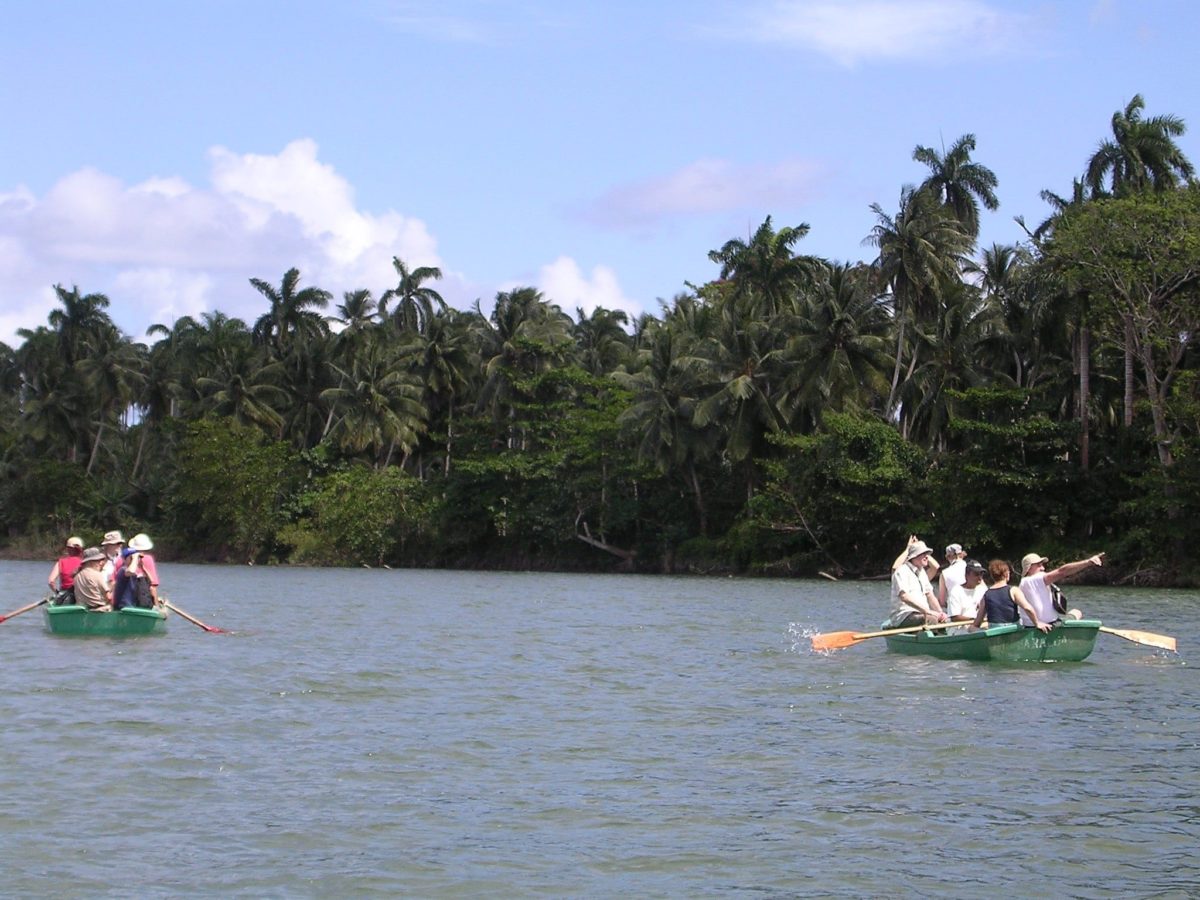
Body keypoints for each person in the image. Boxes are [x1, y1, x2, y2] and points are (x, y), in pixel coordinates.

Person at [1019, 551, 1105, 626]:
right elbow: (1062, 572)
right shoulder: (1030, 580)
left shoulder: (1027, 583)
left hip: (1050, 623)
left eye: (1042, 565)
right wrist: (1088, 562)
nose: (1043, 568)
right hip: (1048, 626)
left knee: (1076, 612)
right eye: (1039, 565)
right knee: (1077, 612)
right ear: (1029, 568)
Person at [972, 560, 1051, 632]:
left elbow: (977, 622)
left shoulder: (986, 595)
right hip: (1012, 629)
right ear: (1006, 574)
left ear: (992, 576)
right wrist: (1037, 623)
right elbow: (1027, 608)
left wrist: (973, 628)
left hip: (994, 630)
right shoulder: (1013, 590)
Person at [888, 539, 949, 628]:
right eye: (923, 554)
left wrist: (941, 613)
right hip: (904, 616)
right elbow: (904, 596)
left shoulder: (922, 572)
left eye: (927, 554)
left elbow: (929, 595)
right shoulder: (901, 571)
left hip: (921, 613)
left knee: (945, 619)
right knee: (932, 619)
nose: (927, 557)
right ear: (913, 556)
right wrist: (927, 611)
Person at [113, 533, 160, 610]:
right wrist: (156, 605)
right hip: (125, 605)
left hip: (134, 601)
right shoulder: (124, 569)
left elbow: (151, 582)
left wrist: (143, 568)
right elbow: (153, 587)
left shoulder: (119, 560)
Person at [946, 558, 987, 631]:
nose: (980, 577)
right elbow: (954, 617)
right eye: (976, 574)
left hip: (978, 626)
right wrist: (975, 620)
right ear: (966, 575)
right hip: (959, 629)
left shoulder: (983, 590)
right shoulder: (956, 591)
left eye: (981, 574)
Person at [71, 547, 112, 611]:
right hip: (98, 610)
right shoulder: (97, 575)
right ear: (91, 562)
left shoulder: (77, 576)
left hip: (82, 611)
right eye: (98, 561)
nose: (101, 563)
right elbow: (109, 597)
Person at [47, 536, 85, 604]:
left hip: (65, 594)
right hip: (82, 595)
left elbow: (51, 581)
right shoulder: (85, 562)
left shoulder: (61, 562)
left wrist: (57, 593)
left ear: (68, 549)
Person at [937, 543, 966, 610]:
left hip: (955, 609)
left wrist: (949, 606)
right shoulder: (971, 568)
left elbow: (942, 601)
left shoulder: (944, 573)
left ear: (947, 557)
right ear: (961, 554)